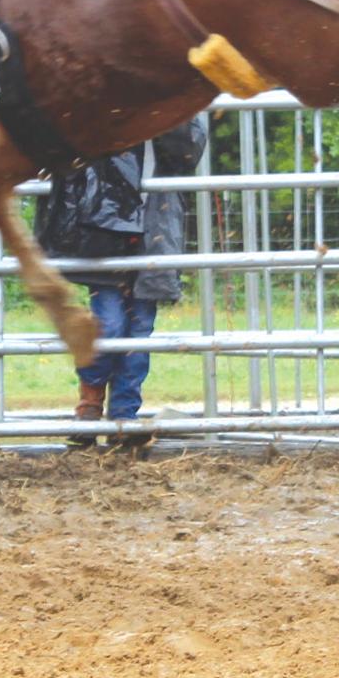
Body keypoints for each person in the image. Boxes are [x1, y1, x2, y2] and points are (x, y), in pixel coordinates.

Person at [35, 116, 208, 451]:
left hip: (155, 232)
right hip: (107, 232)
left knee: (140, 332)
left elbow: (188, 150)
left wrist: (168, 107)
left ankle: (123, 417)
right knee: (111, 325)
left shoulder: (177, 105)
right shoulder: (115, 106)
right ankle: (89, 405)